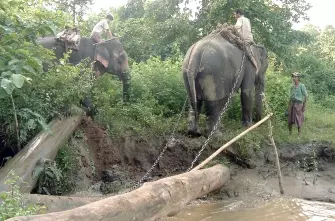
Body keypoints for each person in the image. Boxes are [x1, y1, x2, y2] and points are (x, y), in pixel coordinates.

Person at [233, 9, 258, 73]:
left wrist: (231, 27)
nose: (234, 16)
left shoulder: (240, 19)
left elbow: (237, 26)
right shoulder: (247, 19)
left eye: (235, 14)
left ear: (238, 14)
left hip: (243, 39)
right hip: (249, 39)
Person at [288, 72, 308, 137]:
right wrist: (289, 106)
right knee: (290, 117)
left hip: (299, 104)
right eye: (293, 77)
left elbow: (306, 96)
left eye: (295, 77)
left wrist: (304, 106)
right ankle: (289, 133)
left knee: (299, 118)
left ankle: (299, 134)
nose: (294, 78)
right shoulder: (292, 86)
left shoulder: (302, 86)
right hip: (292, 103)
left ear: (298, 78)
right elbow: (290, 97)